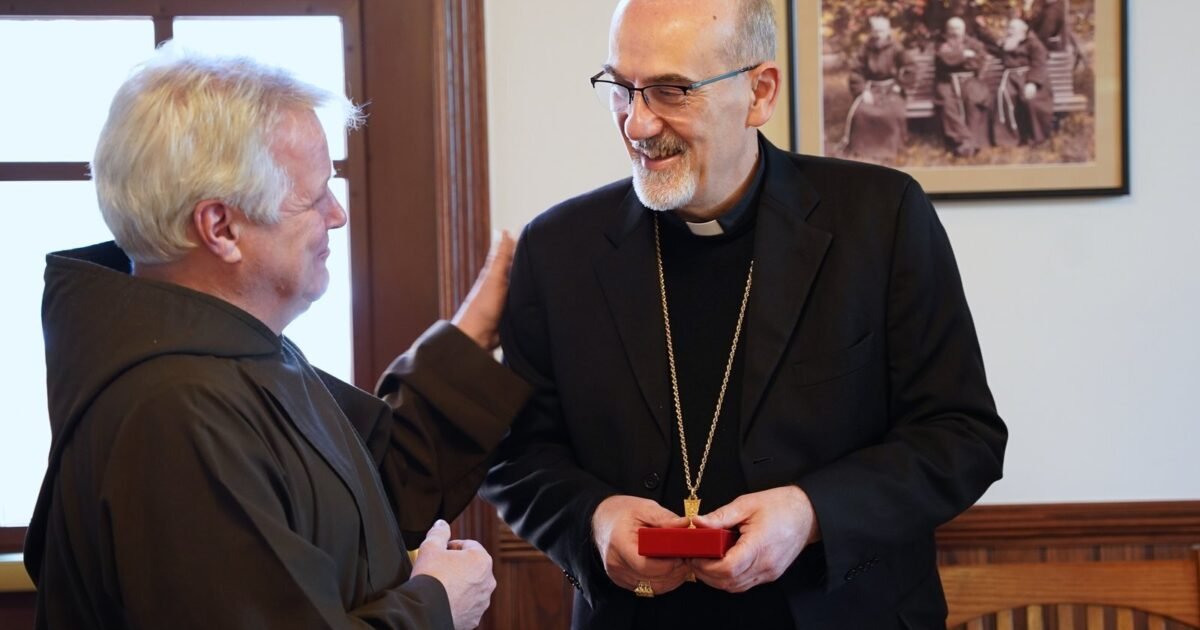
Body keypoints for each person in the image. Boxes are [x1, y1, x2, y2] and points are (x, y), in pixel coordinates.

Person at [480, 0, 1007, 628]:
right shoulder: (558, 247)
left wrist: (812, 512)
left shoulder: (879, 219)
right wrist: (596, 520)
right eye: (622, 89)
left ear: (759, 93)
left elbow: (962, 435)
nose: (637, 124)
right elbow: (516, 456)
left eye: (671, 90)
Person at [23, 48, 530, 630]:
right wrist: (435, 605)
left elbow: (373, 488)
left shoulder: (229, 351)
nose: (337, 214)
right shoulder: (175, 411)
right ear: (222, 227)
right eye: (314, 197)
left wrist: (477, 329)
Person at [841, 16, 916, 162]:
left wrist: (899, 85)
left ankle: (890, 149)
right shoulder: (865, 48)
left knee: (893, 113)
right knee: (862, 112)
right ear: (871, 32)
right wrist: (863, 91)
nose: (877, 35)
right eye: (875, 31)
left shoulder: (896, 48)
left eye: (881, 31)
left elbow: (910, 67)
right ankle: (863, 149)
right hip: (871, 88)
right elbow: (856, 71)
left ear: (888, 31)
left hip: (891, 89)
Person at [982, 18, 1056, 147]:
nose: (1009, 31)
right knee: (1005, 99)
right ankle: (1008, 140)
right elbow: (989, 45)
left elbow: (1039, 64)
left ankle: (1037, 138)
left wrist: (1032, 83)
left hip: (1029, 78)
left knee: (1032, 101)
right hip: (1010, 79)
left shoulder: (1033, 44)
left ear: (1023, 31)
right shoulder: (1006, 44)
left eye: (1013, 29)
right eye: (1009, 28)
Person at [935, 17, 992, 157]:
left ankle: (970, 142)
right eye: (952, 28)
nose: (955, 32)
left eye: (958, 28)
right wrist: (964, 55)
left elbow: (980, 62)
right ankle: (965, 140)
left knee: (974, 100)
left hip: (970, 80)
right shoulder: (940, 44)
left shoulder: (974, 44)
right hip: (947, 81)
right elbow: (945, 59)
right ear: (947, 30)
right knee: (948, 104)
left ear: (964, 29)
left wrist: (958, 58)